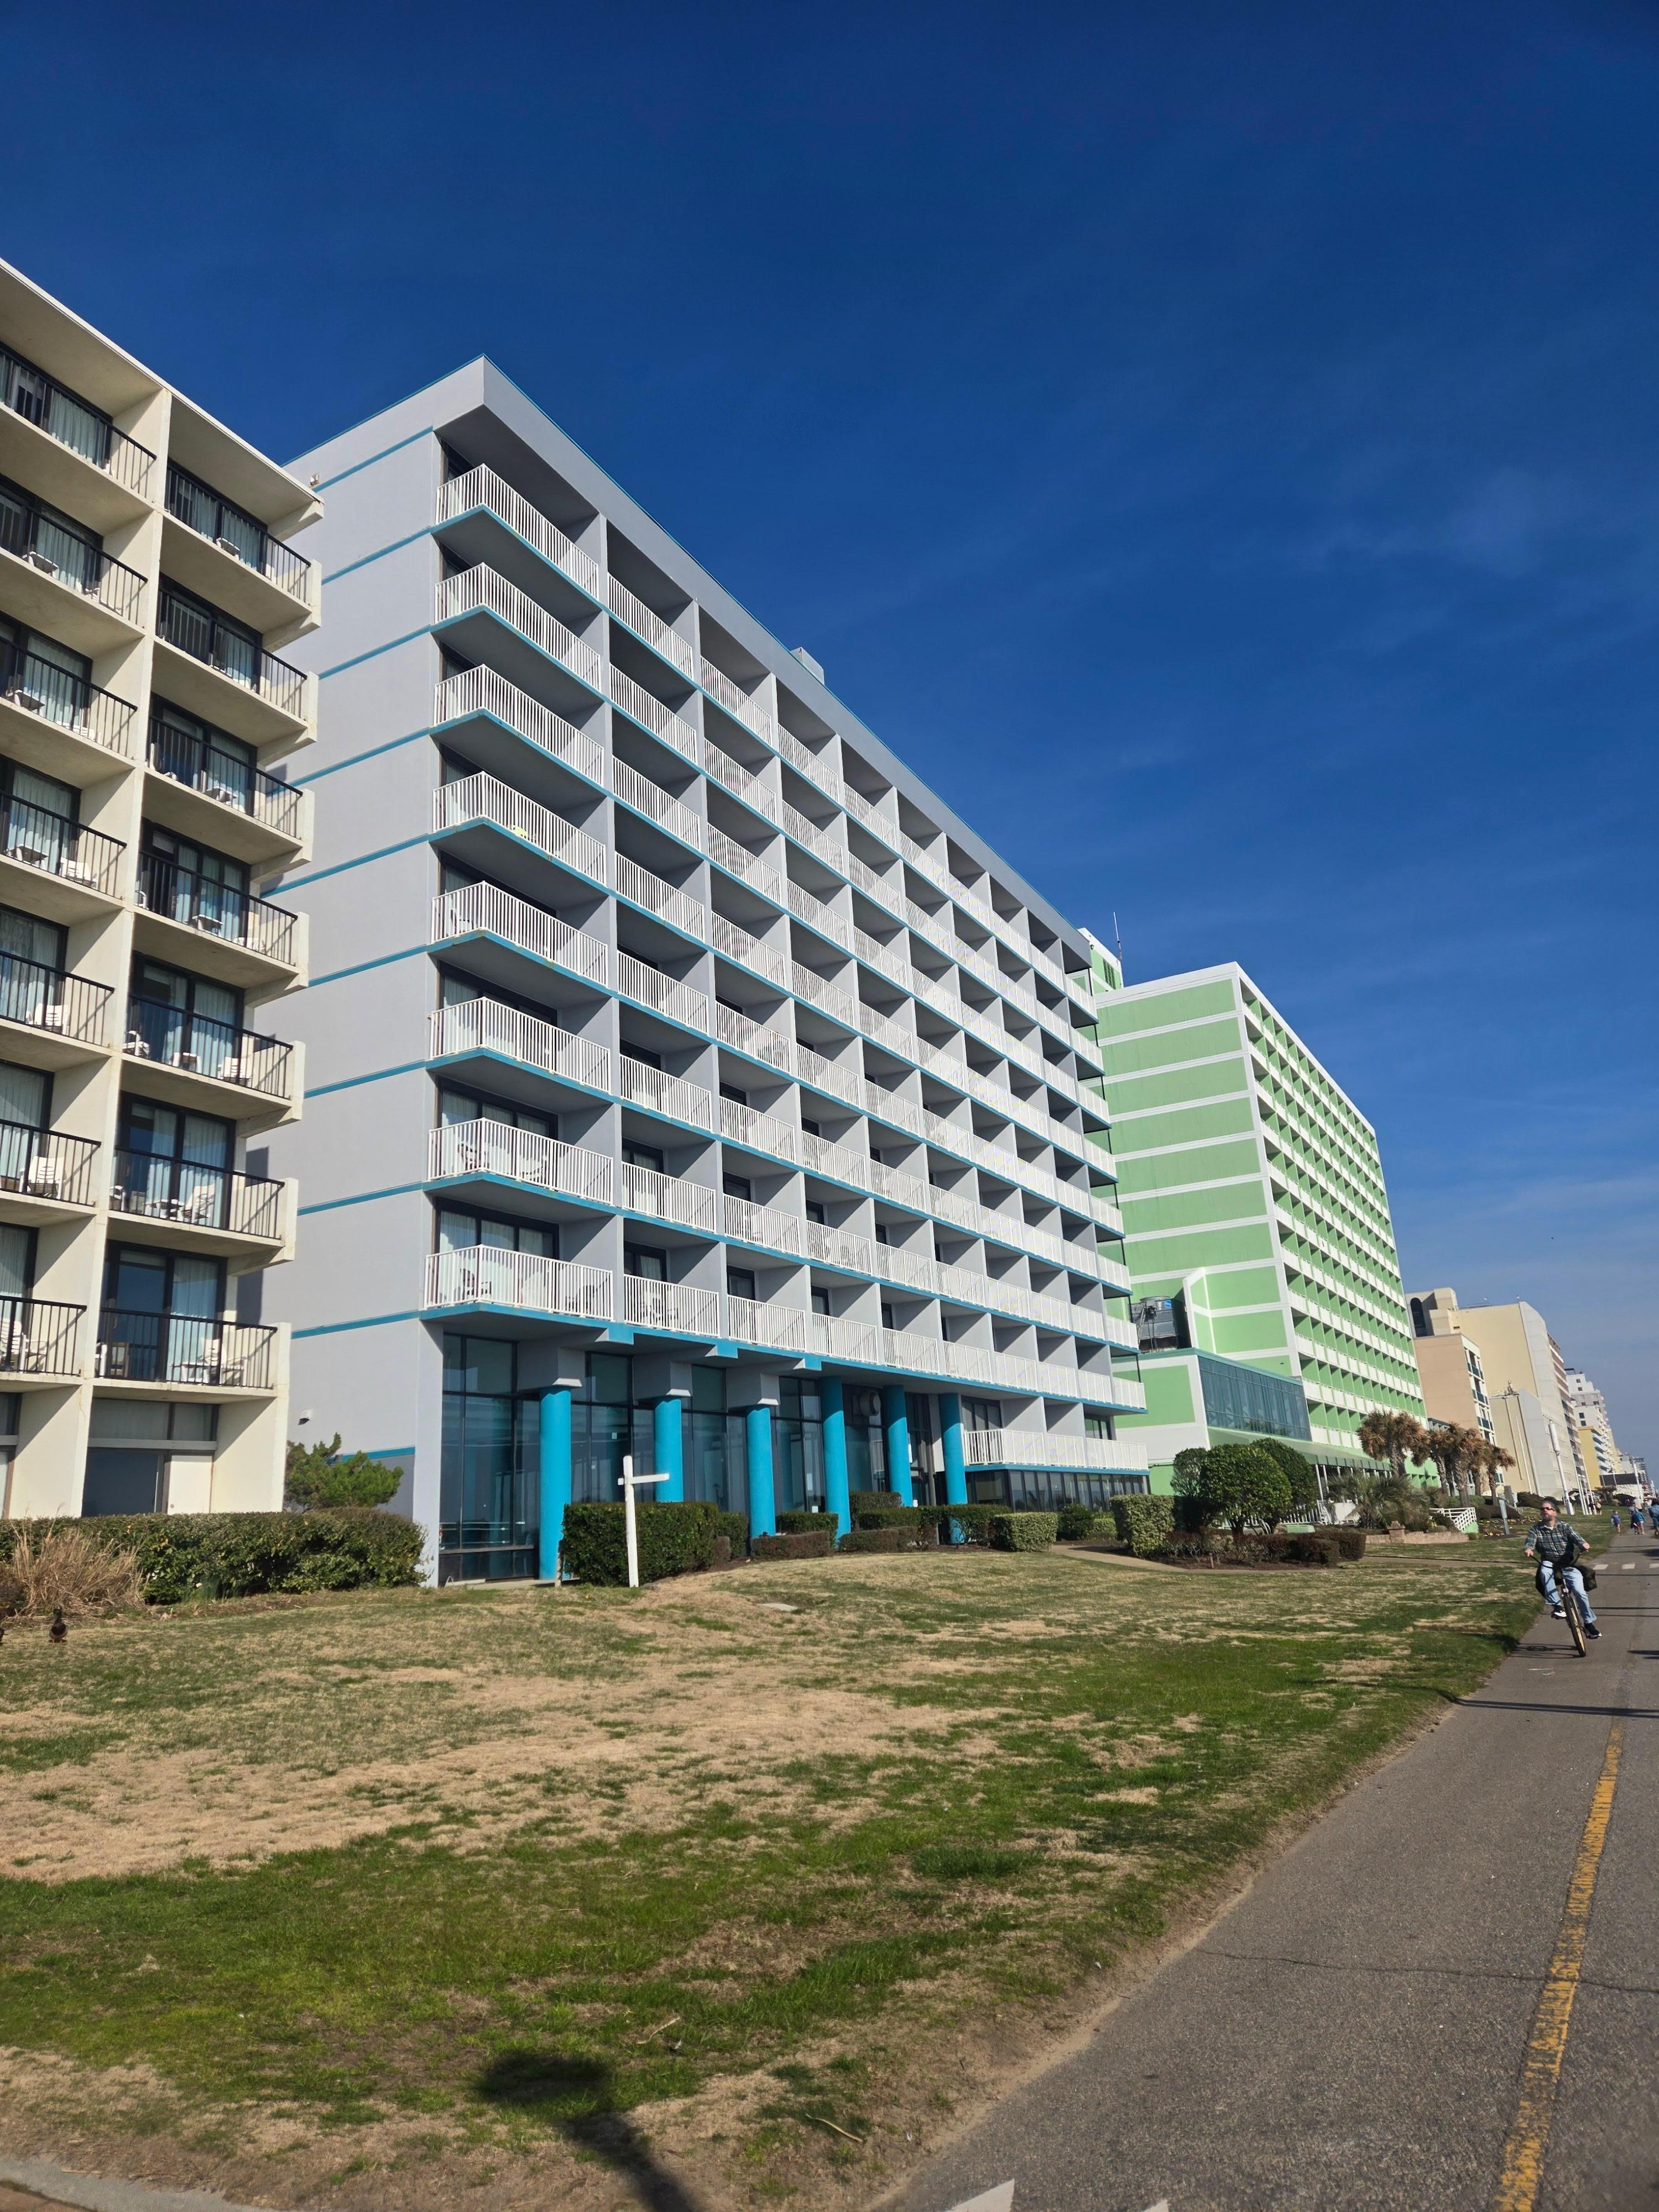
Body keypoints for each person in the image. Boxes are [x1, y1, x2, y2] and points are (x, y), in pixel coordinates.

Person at [1525, 1499, 1600, 1639]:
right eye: (1542, 1509)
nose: (1544, 1511)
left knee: (1580, 1593)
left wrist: (1583, 1544)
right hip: (1549, 1562)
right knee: (1545, 1571)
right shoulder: (1536, 1529)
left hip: (1568, 1565)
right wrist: (1529, 1549)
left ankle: (1589, 1623)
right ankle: (1557, 1606)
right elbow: (1530, 1542)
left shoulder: (1565, 1527)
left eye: (1547, 1509)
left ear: (1554, 1511)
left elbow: (1577, 1538)